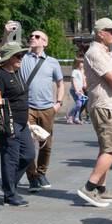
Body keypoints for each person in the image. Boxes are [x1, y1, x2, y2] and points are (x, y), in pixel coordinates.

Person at [76, 18, 112, 208]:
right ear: (100, 33)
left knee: (106, 148)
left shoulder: (106, 51)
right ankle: (89, 188)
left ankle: (101, 189)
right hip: (105, 105)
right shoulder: (95, 52)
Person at [22, 30, 65, 190]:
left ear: (45, 43)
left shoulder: (52, 62)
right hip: (28, 108)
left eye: (37, 36)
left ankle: (41, 173)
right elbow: (6, 48)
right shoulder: (23, 58)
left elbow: (60, 84)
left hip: (48, 108)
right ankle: (32, 177)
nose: (32, 37)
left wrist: (58, 103)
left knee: (45, 143)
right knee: (28, 145)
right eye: (31, 36)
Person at [0, 42, 35, 207]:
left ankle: (8, 186)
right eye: (18, 56)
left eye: (22, 56)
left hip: (23, 122)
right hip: (9, 123)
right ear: (8, 58)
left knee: (28, 155)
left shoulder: (17, 72)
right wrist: (3, 125)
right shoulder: (0, 75)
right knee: (10, 159)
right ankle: (10, 195)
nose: (21, 58)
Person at [67, 59, 87, 124]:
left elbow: (83, 81)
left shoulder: (81, 72)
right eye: (81, 62)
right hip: (74, 90)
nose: (82, 64)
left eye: (83, 62)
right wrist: (76, 90)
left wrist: (83, 88)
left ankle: (76, 118)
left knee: (79, 104)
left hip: (80, 91)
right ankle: (70, 115)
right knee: (79, 104)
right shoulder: (75, 71)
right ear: (77, 63)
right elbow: (74, 81)